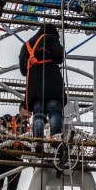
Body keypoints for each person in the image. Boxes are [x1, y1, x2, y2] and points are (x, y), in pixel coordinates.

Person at [19, 23, 66, 152]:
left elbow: (23, 70)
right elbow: (60, 57)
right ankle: (55, 136)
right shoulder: (50, 38)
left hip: (34, 87)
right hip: (52, 83)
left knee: (38, 114)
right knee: (54, 111)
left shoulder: (26, 45)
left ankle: (37, 140)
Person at [0, 108, 30, 190]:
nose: (30, 113)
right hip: (3, 156)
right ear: (21, 109)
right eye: (27, 110)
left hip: (16, 159)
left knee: (12, 188)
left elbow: (29, 148)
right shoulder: (8, 118)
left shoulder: (28, 128)